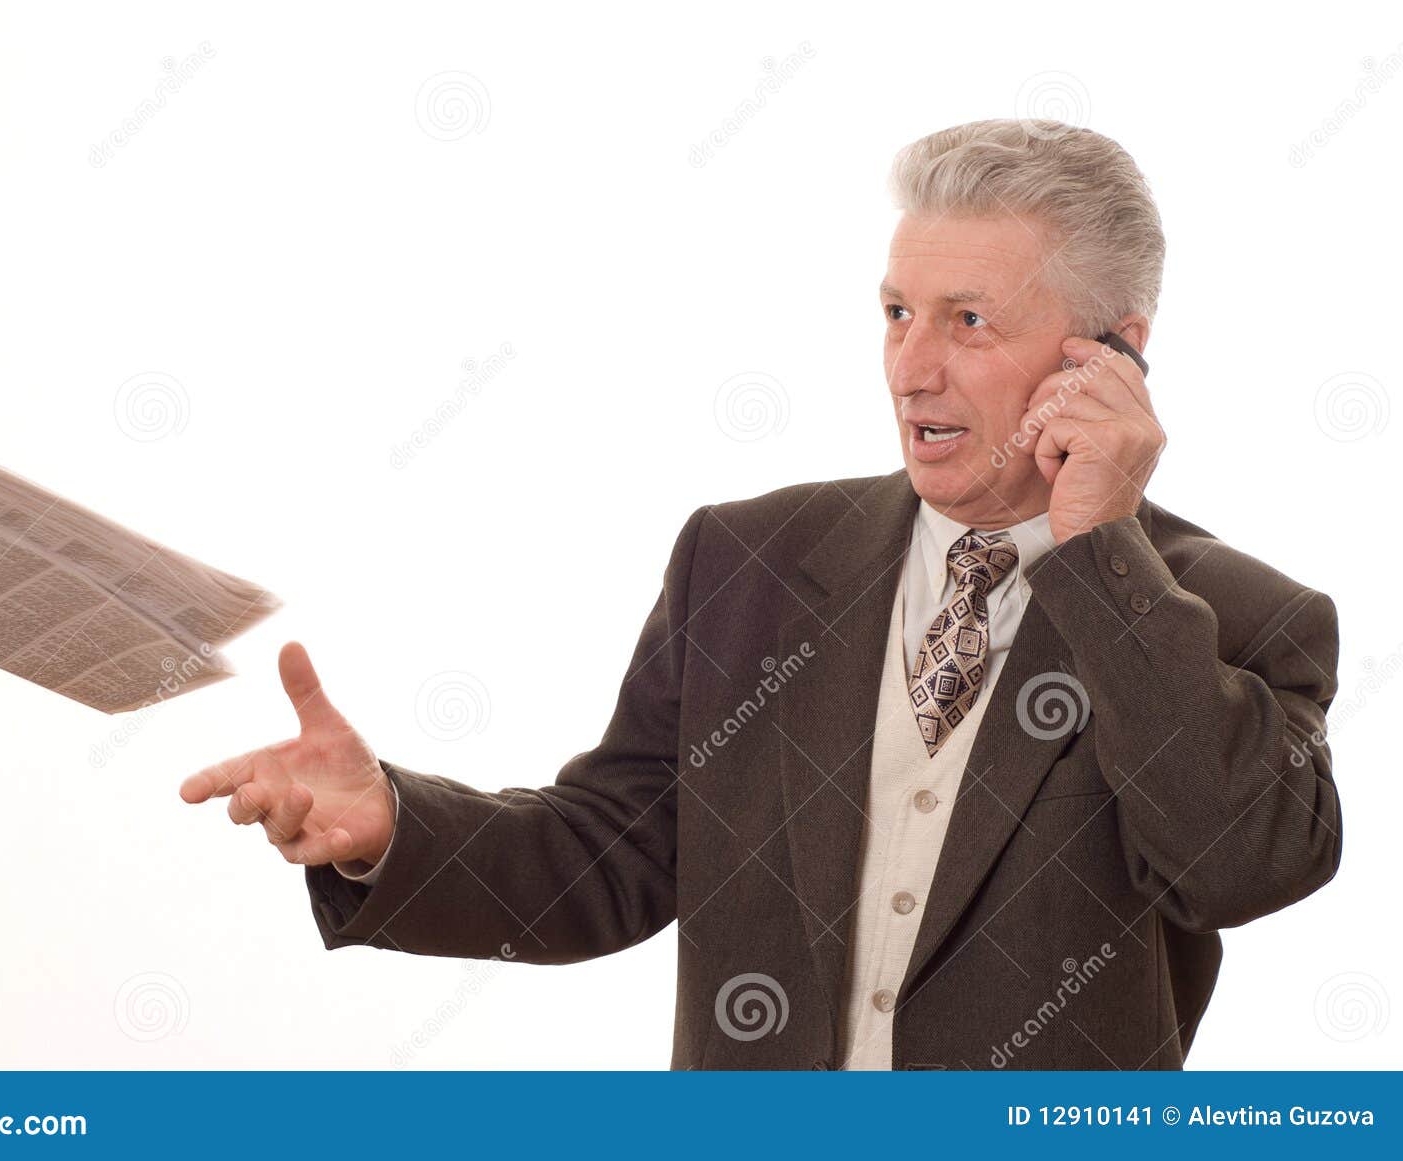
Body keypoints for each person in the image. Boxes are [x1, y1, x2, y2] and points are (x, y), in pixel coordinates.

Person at [180, 119, 1341, 1069]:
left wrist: (1097, 548)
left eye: (968, 321)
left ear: (1115, 353)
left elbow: (1243, 866)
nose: (910, 365)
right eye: (896, 312)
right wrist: (391, 824)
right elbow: (613, 856)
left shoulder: (1244, 618)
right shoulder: (747, 563)